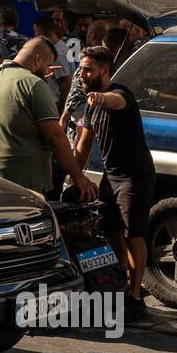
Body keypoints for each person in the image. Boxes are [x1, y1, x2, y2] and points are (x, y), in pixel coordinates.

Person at [73, 46, 156, 319]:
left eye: (89, 70)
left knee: (134, 234)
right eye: (82, 68)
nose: (83, 74)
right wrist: (74, 174)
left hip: (135, 176)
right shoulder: (90, 103)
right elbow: (84, 146)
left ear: (104, 71)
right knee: (108, 226)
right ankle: (121, 271)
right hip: (112, 175)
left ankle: (135, 296)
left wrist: (101, 97)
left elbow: (115, 101)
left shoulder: (120, 94)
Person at [0, 37, 97, 200]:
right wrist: (78, 176)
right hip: (21, 186)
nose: (49, 71)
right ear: (38, 58)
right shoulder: (33, 84)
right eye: (48, 65)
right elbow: (54, 136)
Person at [34, 15, 73, 108]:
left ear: (42, 33)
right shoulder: (61, 47)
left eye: (35, 32)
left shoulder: (57, 53)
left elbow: (65, 84)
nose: (34, 35)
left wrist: (61, 111)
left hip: (56, 104)